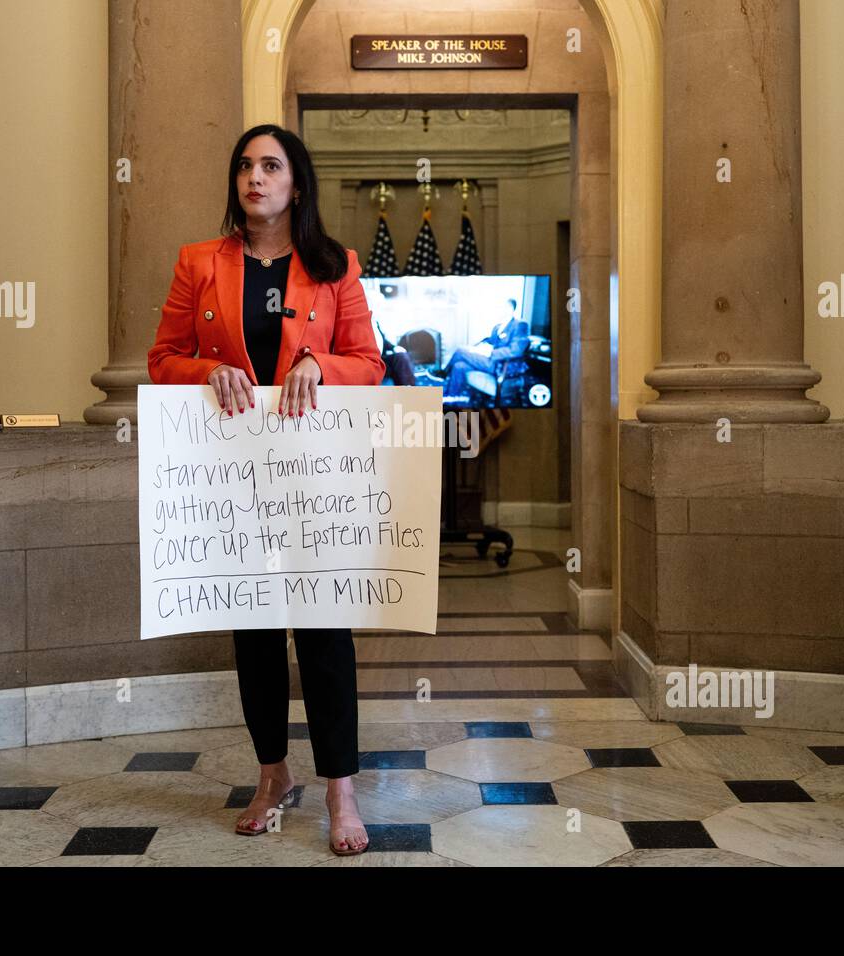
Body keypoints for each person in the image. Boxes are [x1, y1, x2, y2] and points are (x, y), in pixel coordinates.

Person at [147, 123, 385, 856]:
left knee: (323, 634)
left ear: (295, 183)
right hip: (233, 479)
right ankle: (273, 776)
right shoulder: (200, 263)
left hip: (314, 477)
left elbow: (370, 363)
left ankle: (341, 789)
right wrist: (203, 371)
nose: (255, 177)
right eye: (245, 166)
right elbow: (162, 358)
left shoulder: (335, 265)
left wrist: (321, 364)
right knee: (253, 632)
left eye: (271, 166)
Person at [440, 298, 530, 399]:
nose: (503, 310)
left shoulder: (520, 325)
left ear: (512, 309)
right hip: (490, 361)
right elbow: (491, 342)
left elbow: (516, 350)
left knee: (460, 351)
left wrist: (491, 352)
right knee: (459, 366)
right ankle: (452, 395)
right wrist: (480, 347)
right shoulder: (497, 327)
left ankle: (442, 374)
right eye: (501, 307)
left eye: (506, 307)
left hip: (502, 365)